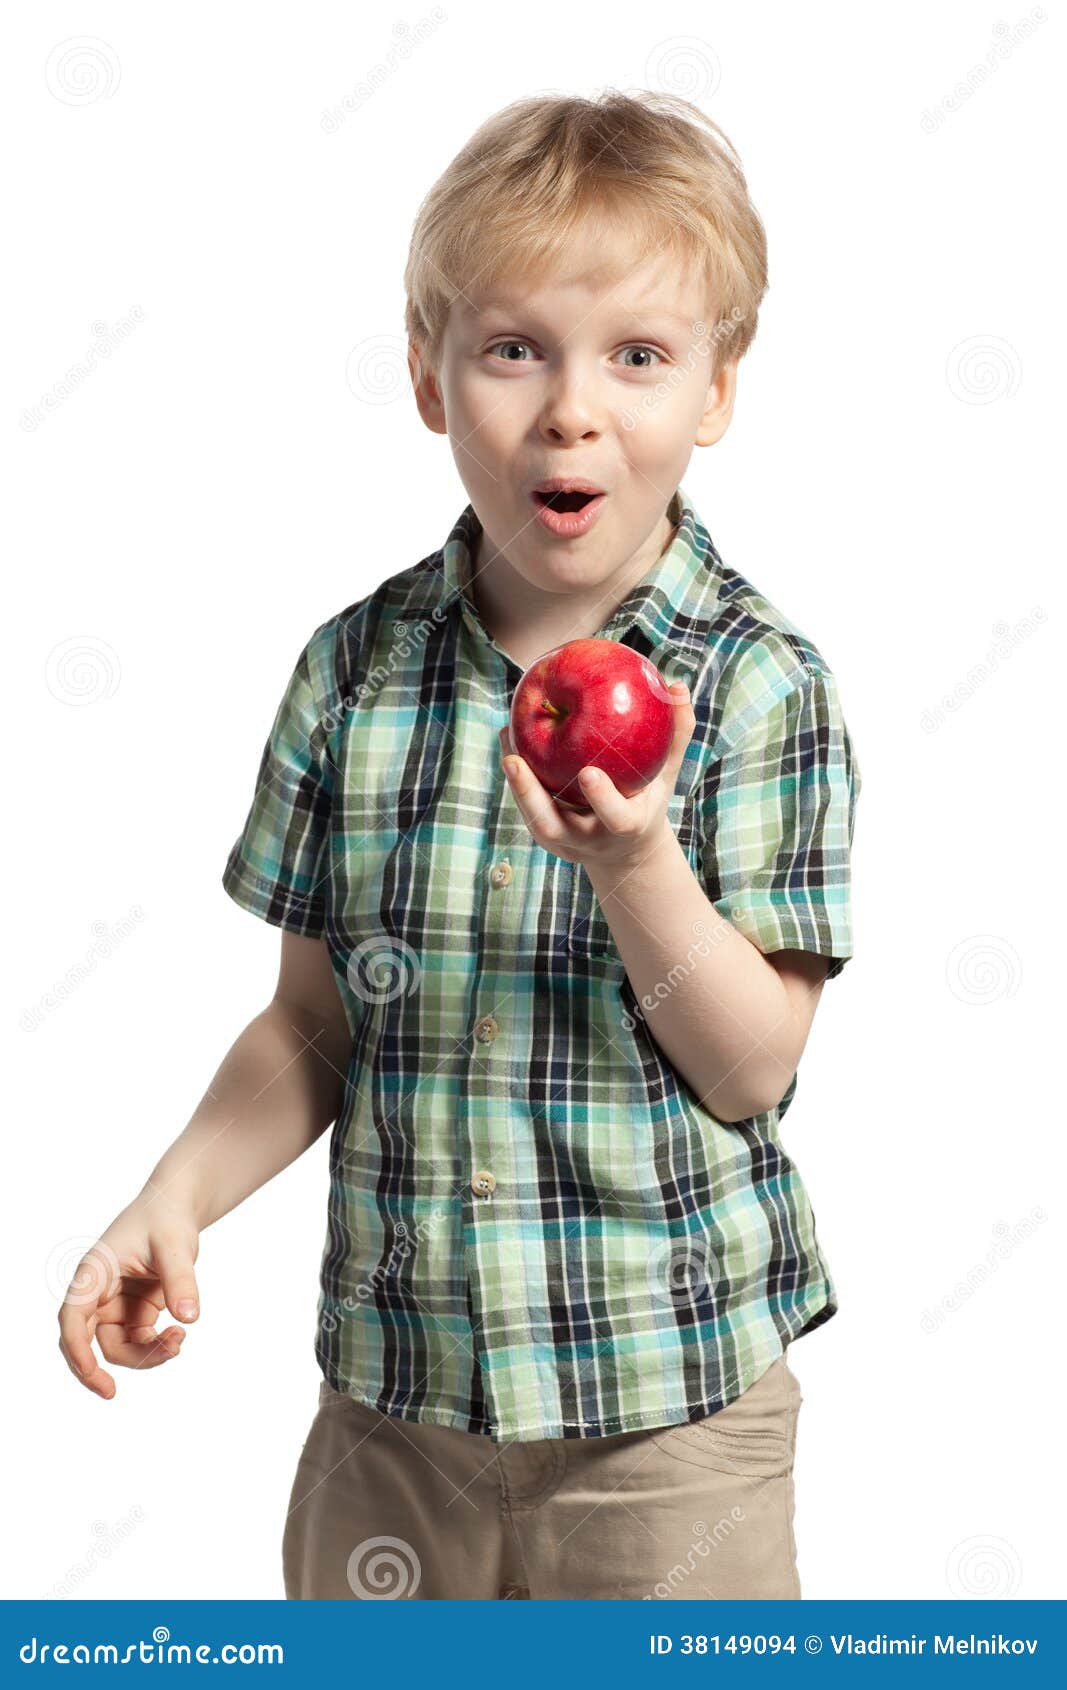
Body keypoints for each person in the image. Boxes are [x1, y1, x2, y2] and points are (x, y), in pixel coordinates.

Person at [58, 90, 861, 1602]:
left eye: (638, 354)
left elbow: (756, 1066)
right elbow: (312, 1023)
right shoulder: (355, 673)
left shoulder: (760, 684)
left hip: (668, 1425)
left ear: (716, 393)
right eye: (514, 349)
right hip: (395, 1421)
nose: (572, 408)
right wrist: (171, 1193)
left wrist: (634, 864)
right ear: (431, 380)